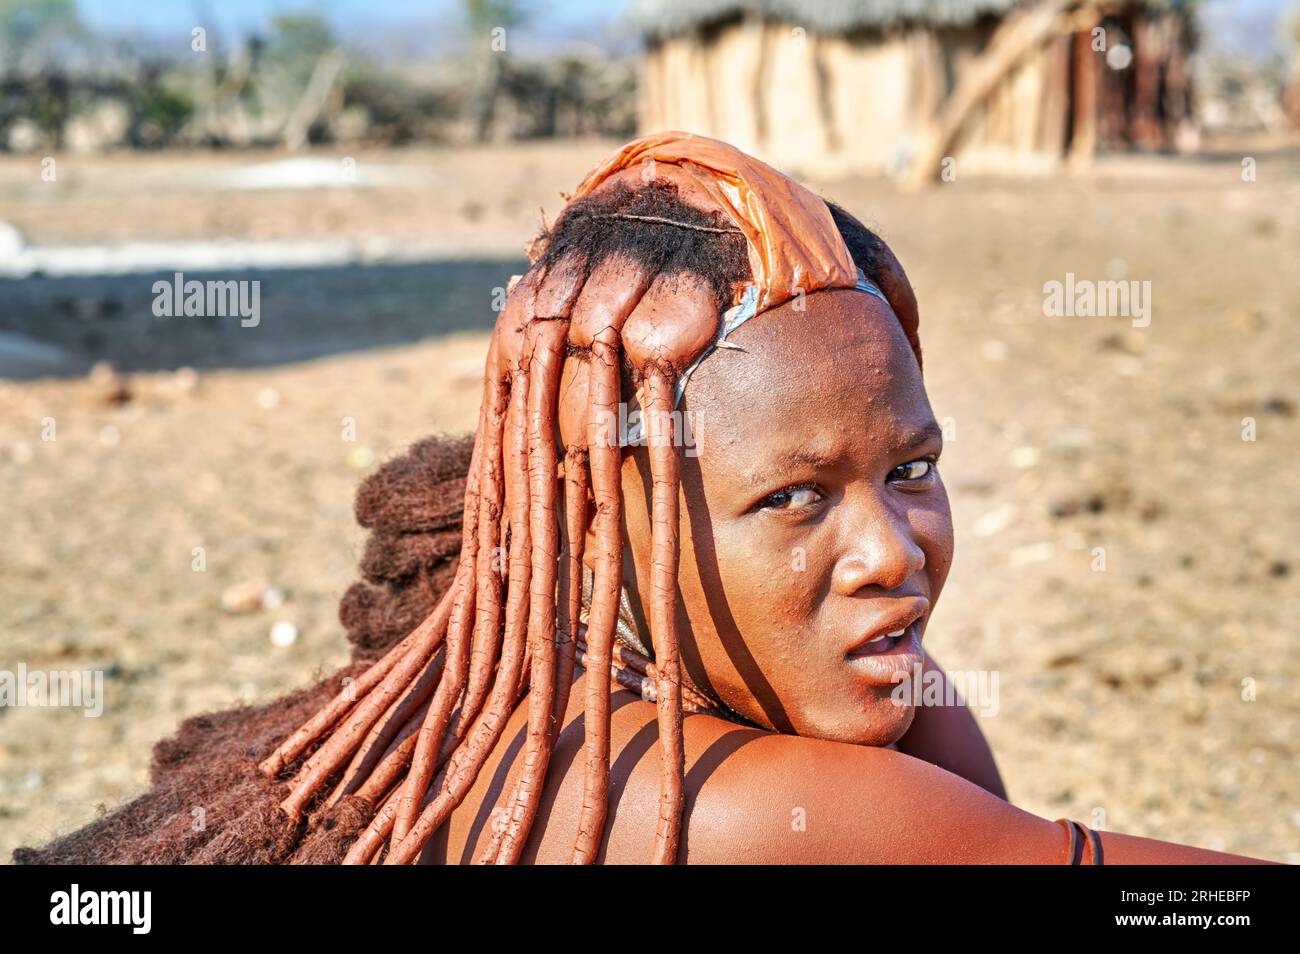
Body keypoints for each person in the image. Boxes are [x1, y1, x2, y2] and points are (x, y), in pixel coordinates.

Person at [16, 133, 1270, 865]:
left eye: (911, 470)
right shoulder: (757, 817)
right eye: (792, 497)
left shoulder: (510, 695)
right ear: (608, 527)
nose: (892, 549)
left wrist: (865, 597)